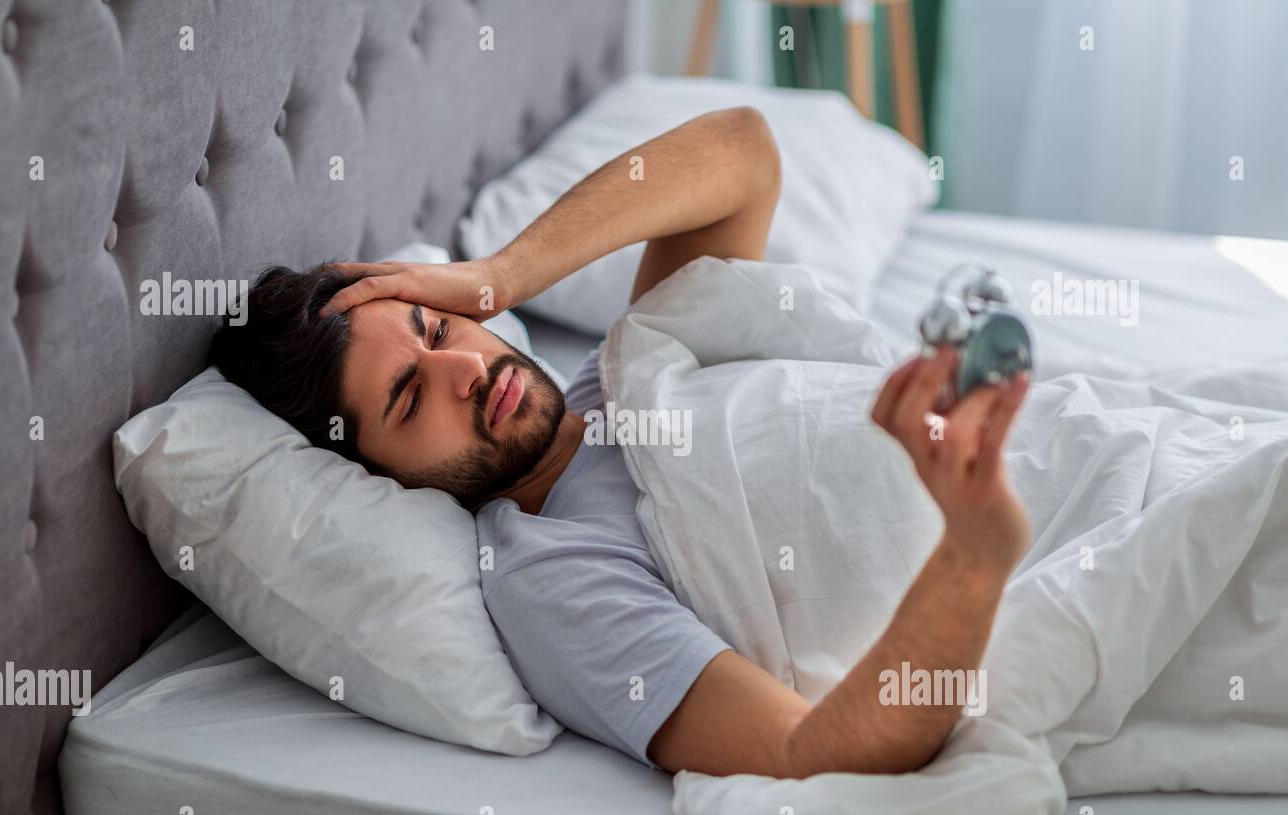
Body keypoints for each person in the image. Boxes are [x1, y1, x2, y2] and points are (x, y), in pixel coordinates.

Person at [212, 107, 1030, 779]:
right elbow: (814, 750)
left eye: (437, 326)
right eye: (409, 397)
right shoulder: (548, 571)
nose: (464, 365)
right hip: (1017, 556)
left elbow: (744, 150)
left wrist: (503, 274)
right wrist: (978, 549)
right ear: (378, 476)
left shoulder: (625, 366)